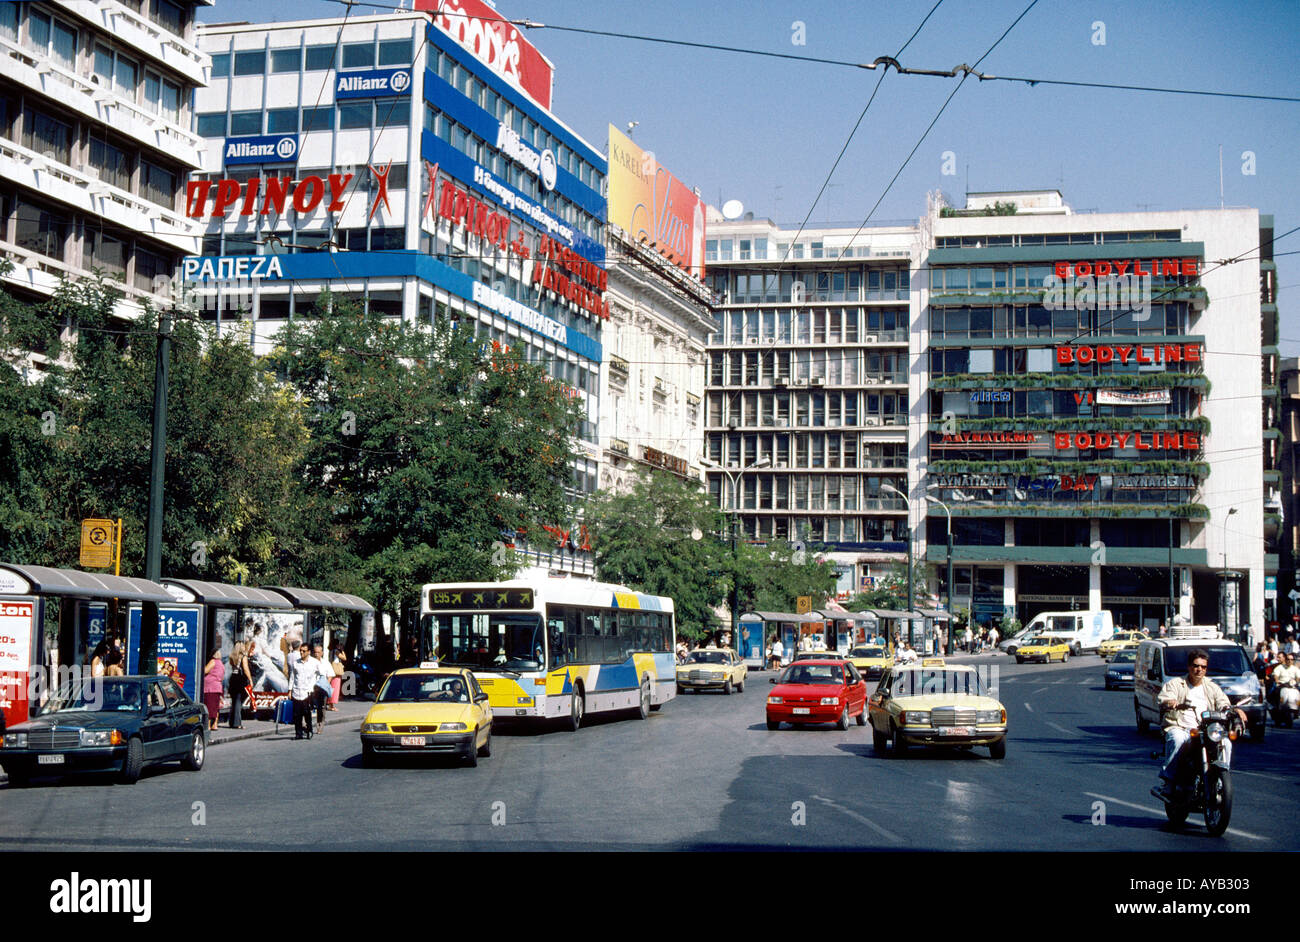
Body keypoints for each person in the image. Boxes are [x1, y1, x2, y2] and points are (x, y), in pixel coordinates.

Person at [1152, 648, 1248, 800]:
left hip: (1205, 729)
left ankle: (1220, 781)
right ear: (1189, 666)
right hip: (1180, 727)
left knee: (1226, 743)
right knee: (1177, 739)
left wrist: (1234, 710)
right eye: (1196, 666)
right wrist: (1171, 702)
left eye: (1203, 667)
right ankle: (1168, 782)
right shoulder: (1176, 684)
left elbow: (1223, 702)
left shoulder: (1211, 686)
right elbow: (1163, 699)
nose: (1199, 670)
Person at [289, 642, 318, 740]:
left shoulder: (314, 663)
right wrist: (290, 690)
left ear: (309, 652)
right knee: (297, 714)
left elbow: (322, 674)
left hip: (307, 692)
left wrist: (315, 685)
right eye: (300, 650)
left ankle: (309, 730)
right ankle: (298, 733)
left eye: (304, 651)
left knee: (307, 713)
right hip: (297, 691)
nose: (301, 653)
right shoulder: (296, 663)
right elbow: (292, 677)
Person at [227, 642, 251, 729]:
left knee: (234, 701)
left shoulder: (232, 657)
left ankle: (232, 721)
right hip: (240, 679)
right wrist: (250, 679)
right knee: (238, 701)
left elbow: (232, 666)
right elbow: (245, 669)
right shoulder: (243, 657)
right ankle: (237, 723)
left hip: (233, 678)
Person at [201, 646, 224, 733]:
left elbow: (205, 670)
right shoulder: (221, 664)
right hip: (218, 687)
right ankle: (215, 724)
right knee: (215, 707)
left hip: (210, 688)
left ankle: (208, 725)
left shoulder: (213, 661)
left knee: (209, 707)